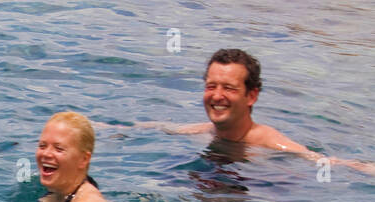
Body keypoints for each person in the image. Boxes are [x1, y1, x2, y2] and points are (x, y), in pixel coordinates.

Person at [150, 49, 374, 173]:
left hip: (261, 193)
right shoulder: (201, 131)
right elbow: (160, 127)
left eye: (229, 88)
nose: (217, 96)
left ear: (252, 96)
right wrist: (116, 129)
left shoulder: (269, 142)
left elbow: (322, 161)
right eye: (211, 86)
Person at [35, 111, 112, 202]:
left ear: (84, 159)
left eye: (59, 149)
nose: (46, 153)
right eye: (42, 146)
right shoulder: (53, 197)